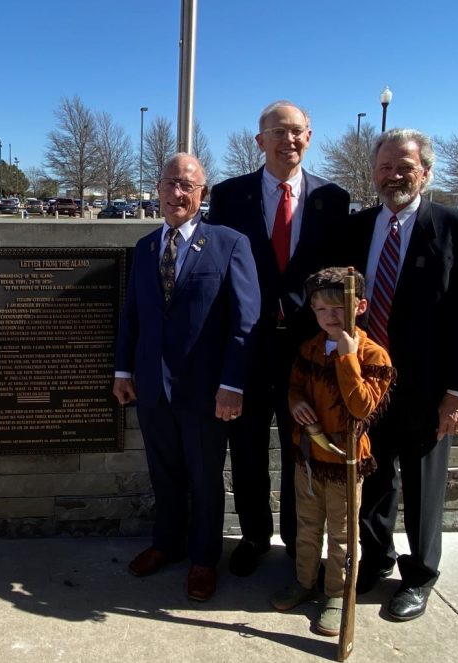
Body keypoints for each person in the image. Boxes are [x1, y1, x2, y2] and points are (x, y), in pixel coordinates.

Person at [348, 128, 458, 621]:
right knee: (374, 478)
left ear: (425, 172)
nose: (394, 176)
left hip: (428, 389)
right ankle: (374, 560)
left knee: (423, 487)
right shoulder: (357, 227)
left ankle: (420, 575)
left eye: (404, 167)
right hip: (368, 384)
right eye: (385, 168)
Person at [208, 100, 351, 576]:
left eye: (297, 132)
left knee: (301, 448)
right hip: (248, 347)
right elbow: (220, 269)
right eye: (278, 132)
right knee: (247, 447)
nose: (288, 140)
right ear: (260, 141)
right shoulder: (229, 196)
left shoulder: (333, 198)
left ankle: (296, 540)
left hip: (306, 352)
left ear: (309, 138)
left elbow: (339, 272)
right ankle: (253, 536)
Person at [114, 153, 260, 602]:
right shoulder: (145, 248)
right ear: (158, 189)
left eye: (187, 186)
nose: (177, 194)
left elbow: (245, 321)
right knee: (164, 473)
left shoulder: (229, 244)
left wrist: (232, 385)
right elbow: (132, 315)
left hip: (206, 391)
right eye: (169, 184)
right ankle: (167, 543)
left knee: (205, 478)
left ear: (203, 193)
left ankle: (203, 559)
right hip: (152, 387)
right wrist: (123, 370)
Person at [271, 268, 394, 636]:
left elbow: (361, 406)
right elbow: (294, 386)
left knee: (342, 534)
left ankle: (337, 593)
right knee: (307, 526)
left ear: (360, 306)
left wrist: (347, 358)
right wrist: (295, 402)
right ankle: (304, 580)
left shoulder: (373, 355)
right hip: (309, 457)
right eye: (321, 309)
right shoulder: (309, 348)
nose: (330, 316)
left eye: (338, 308)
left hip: (344, 461)